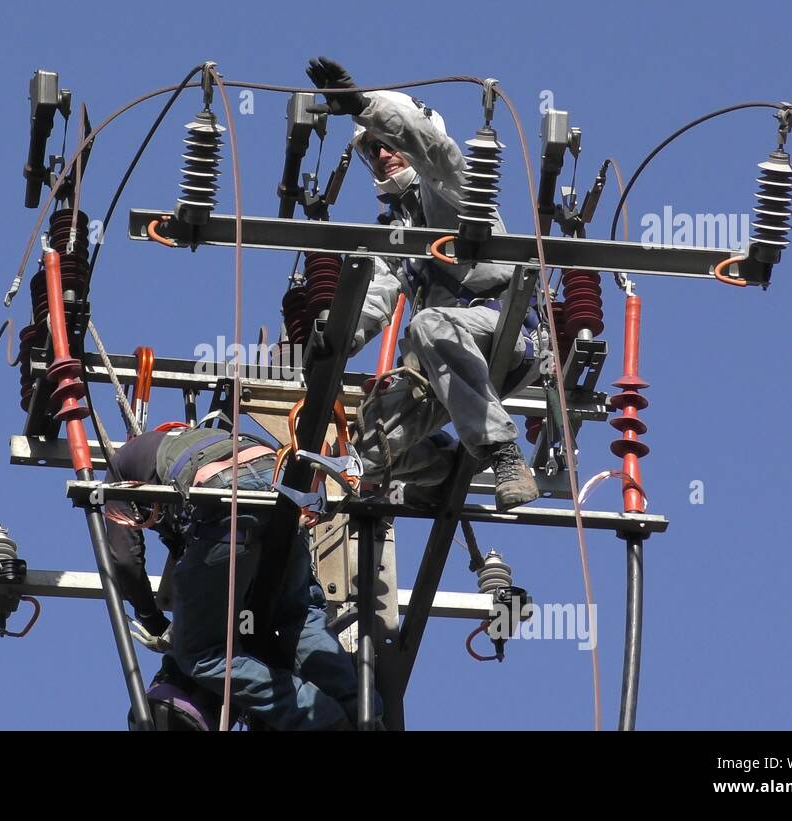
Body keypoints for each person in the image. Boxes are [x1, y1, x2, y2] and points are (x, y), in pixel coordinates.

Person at [305, 57, 540, 510]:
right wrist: (332, 338)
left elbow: (432, 148)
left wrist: (363, 107)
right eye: (371, 149)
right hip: (446, 361)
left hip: (508, 335)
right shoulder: (394, 231)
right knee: (367, 449)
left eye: (388, 142)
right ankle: (445, 468)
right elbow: (374, 298)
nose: (382, 154)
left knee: (429, 324)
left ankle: (503, 453)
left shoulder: (449, 189)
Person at [103, 423, 365, 730]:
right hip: (281, 488)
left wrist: (152, 619)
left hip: (223, 499)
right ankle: (364, 714)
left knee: (200, 654)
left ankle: (320, 719)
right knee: (300, 617)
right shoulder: (215, 437)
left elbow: (124, 561)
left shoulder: (122, 463)